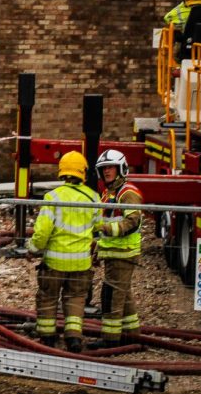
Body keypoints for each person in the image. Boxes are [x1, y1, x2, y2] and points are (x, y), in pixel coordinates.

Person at [27, 151, 100, 353]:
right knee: (75, 300)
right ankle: (74, 338)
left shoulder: (53, 197)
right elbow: (99, 228)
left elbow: (42, 232)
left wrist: (33, 249)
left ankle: (48, 337)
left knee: (48, 298)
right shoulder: (94, 198)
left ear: (62, 171)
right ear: (83, 172)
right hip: (81, 264)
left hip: (54, 263)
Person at [88, 149, 144, 350]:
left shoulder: (128, 193)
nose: (107, 172)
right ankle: (132, 335)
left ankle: (110, 340)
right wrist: (97, 249)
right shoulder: (109, 193)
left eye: (110, 167)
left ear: (121, 168)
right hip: (114, 254)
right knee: (124, 295)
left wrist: (104, 228)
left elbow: (132, 222)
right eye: (104, 169)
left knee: (111, 296)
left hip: (123, 254)